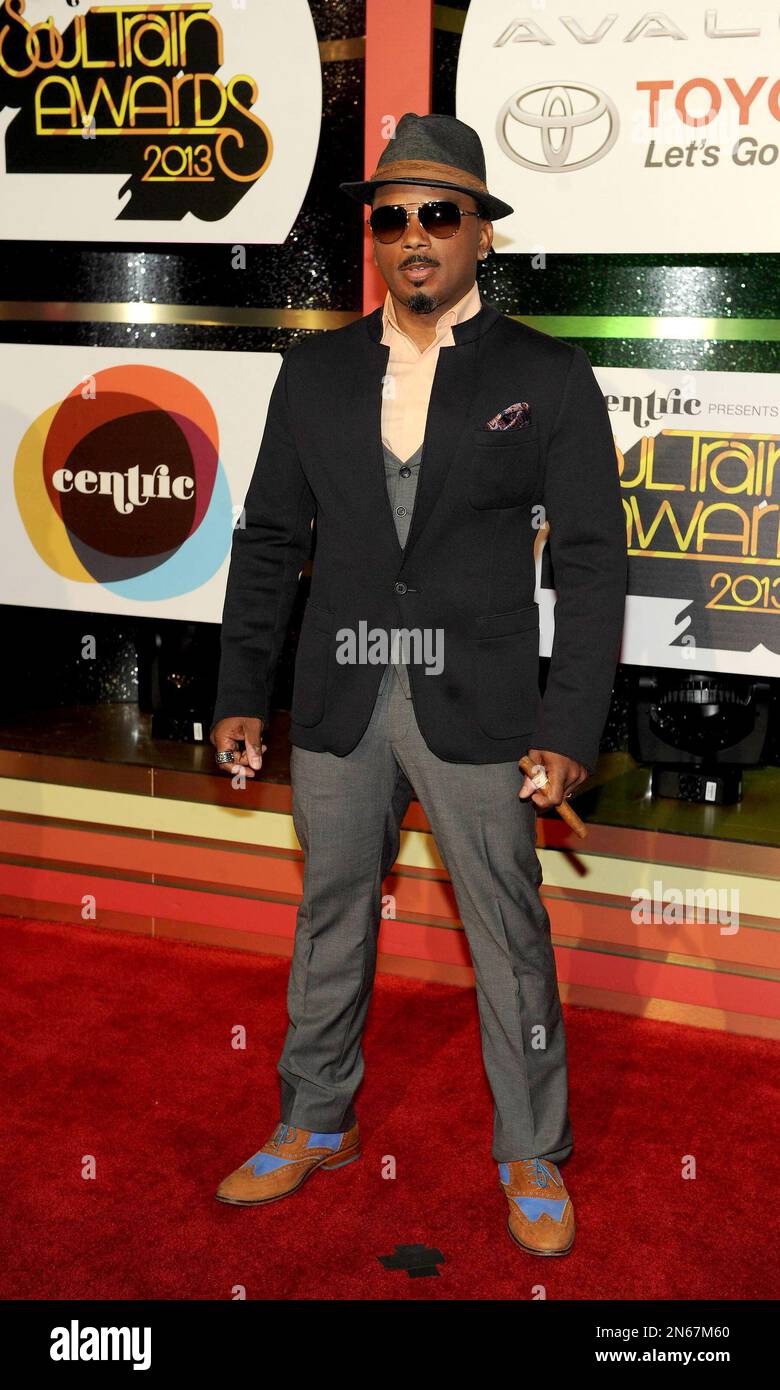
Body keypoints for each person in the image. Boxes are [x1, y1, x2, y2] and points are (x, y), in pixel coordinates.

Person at [209, 113, 627, 1256]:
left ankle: (531, 1146)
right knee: (329, 917)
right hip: (342, 697)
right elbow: (267, 540)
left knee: (507, 927)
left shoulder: (546, 374)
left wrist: (568, 724)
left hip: (479, 705)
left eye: (439, 214)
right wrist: (242, 688)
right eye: (391, 216)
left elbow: (593, 562)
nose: (412, 237)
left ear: (481, 235)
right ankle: (314, 1116)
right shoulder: (317, 371)